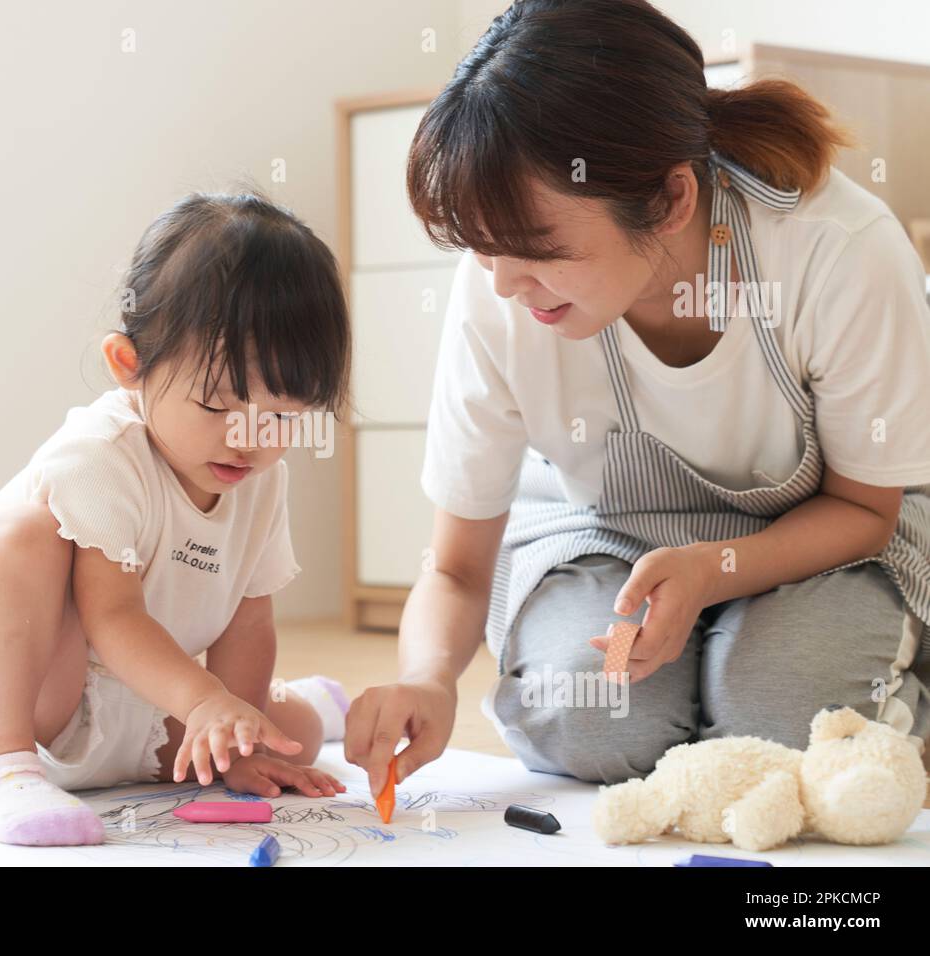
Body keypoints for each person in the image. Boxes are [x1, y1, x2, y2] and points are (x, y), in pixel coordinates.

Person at [345, 0, 930, 792]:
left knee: (790, 724)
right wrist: (426, 677)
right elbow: (453, 566)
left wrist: (712, 568)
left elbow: (865, 508)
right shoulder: (500, 285)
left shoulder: (838, 251)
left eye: (538, 252)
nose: (505, 283)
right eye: (482, 248)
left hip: (827, 538)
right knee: (589, 718)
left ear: (670, 200)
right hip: (604, 538)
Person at [0, 191, 353, 845]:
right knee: (26, 533)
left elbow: (250, 621)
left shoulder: (261, 480)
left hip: (127, 702)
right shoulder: (100, 458)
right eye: (216, 405)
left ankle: (308, 699)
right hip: (11, 695)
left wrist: (238, 727)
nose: (247, 438)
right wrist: (203, 701)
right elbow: (113, 617)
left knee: (291, 737)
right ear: (129, 366)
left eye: (281, 416)